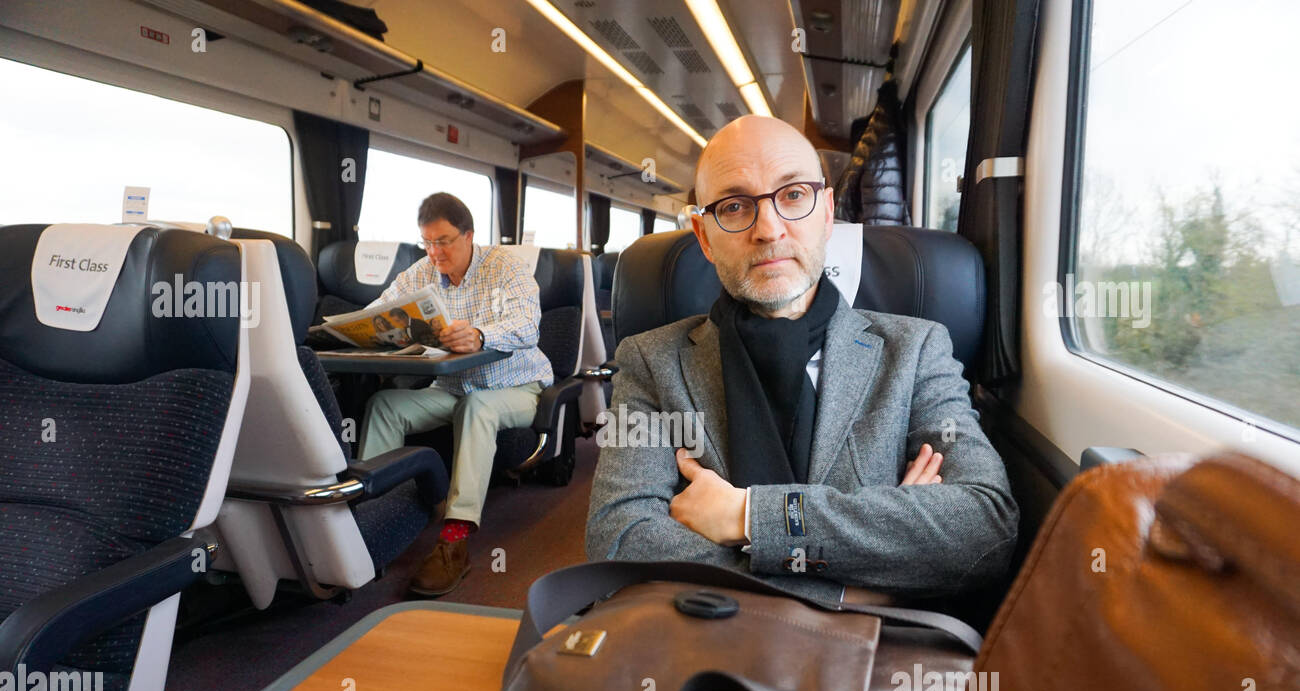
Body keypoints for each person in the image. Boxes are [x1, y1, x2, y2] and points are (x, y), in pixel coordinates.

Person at [586, 116, 1018, 603]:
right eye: (733, 206)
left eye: (793, 196)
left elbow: (984, 529)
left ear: (828, 213)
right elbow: (617, 538)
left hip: (883, 657)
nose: (769, 230)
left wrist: (745, 516)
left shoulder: (917, 350)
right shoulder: (650, 361)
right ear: (704, 236)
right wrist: (853, 587)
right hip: (716, 641)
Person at [358, 192, 552, 596]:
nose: (434, 252)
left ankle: (455, 539)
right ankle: (378, 521)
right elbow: (377, 310)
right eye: (427, 242)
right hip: (451, 387)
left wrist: (481, 335)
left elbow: (526, 326)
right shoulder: (421, 272)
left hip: (514, 387)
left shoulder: (505, 268)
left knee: (477, 406)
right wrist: (355, 330)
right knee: (384, 406)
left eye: (443, 241)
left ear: (468, 236)